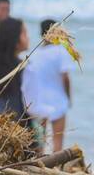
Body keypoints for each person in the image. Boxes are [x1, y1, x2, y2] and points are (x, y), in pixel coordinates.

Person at [22, 19, 74, 152]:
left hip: (39, 102)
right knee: (58, 140)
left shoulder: (35, 54)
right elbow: (65, 78)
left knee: (40, 140)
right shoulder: (60, 51)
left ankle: (39, 166)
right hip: (58, 101)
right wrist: (68, 97)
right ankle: (55, 167)